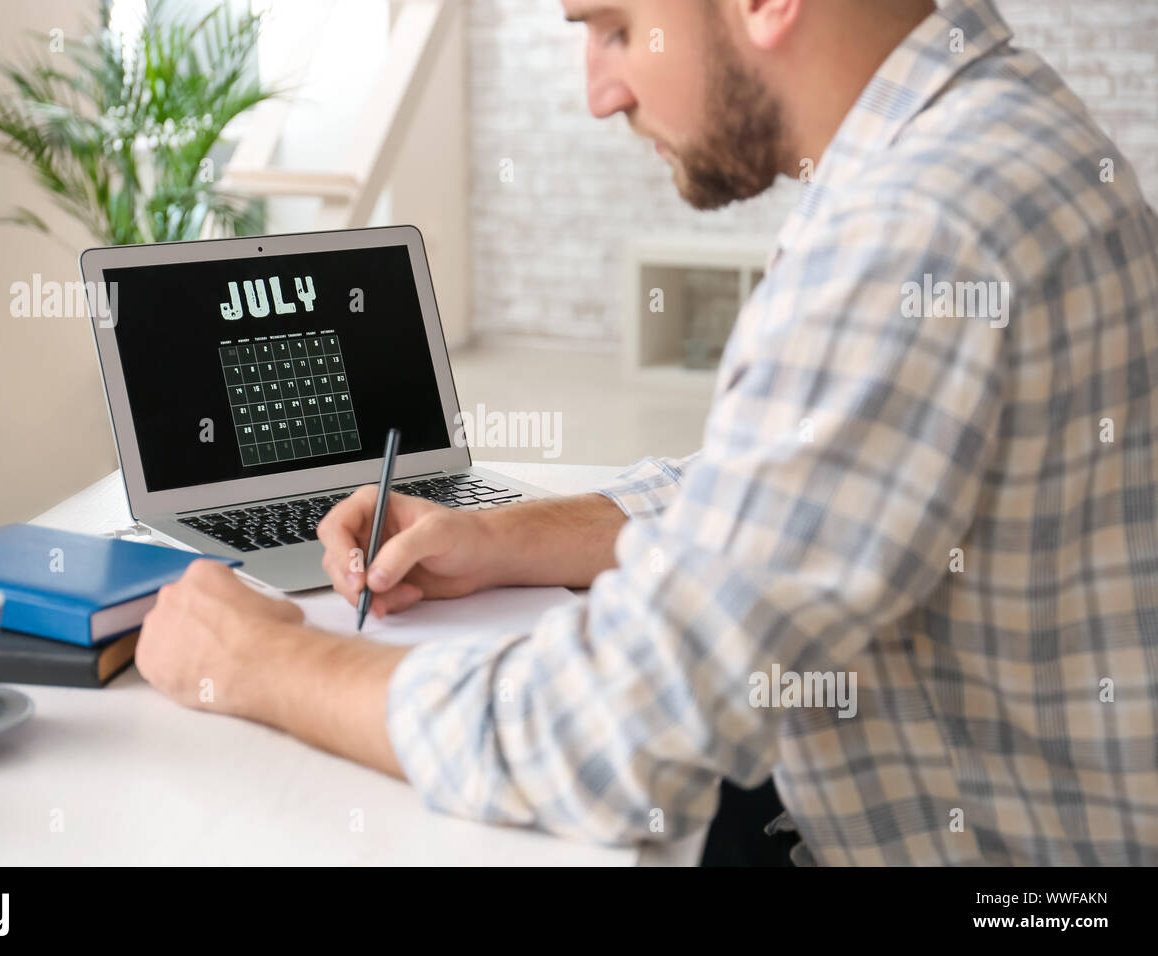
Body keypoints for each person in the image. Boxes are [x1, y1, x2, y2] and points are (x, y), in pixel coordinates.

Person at [136, 0, 1158, 865]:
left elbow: (606, 732)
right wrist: (513, 534)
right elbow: (802, 480)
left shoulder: (915, 232)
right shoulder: (997, 134)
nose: (600, 92)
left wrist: (271, 660)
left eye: (617, 29)